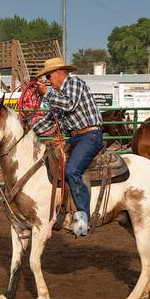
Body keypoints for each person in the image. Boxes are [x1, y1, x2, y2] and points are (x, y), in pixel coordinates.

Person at [29, 57, 103, 237]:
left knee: (71, 171)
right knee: (52, 165)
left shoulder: (74, 83)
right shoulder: (58, 96)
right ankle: (63, 212)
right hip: (76, 138)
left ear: (59, 73)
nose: (47, 80)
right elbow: (48, 123)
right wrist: (26, 125)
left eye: (48, 75)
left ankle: (83, 221)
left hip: (90, 136)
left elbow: (70, 104)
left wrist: (46, 93)